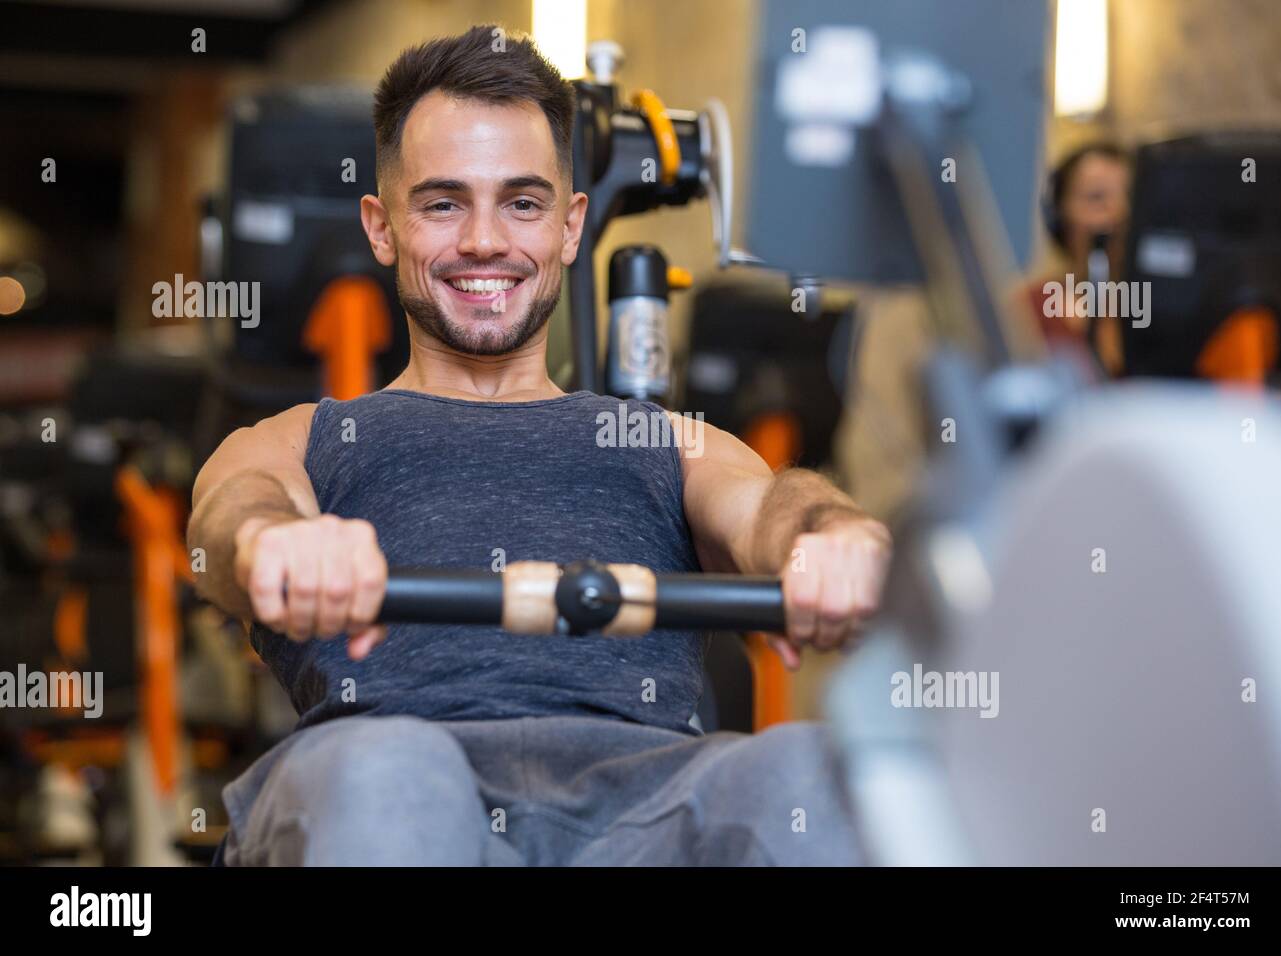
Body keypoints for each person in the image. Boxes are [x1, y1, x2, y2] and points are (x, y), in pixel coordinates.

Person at [188, 25, 891, 866]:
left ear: (569, 226)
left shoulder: (667, 441)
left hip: (645, 807)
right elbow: (232, 516)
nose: (485, 241)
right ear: (380, 227)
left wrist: (832, 536)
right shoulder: (303, 438)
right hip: (385, 785)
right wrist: (275, 542)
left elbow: (774, 506)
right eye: (444, 203)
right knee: (393, 775)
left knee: (811, 771)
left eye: (522, 203)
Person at [1019, 141, 1132, 376]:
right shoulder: (1029, 310)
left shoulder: (1163, 310)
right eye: (1096, 197)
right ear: (1059, 215)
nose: (1120, 211)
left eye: (1131, 196)